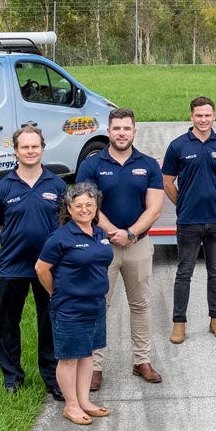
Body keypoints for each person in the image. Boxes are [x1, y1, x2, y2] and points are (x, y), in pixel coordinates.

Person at [75, 108, 165, 389]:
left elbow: (155, 207)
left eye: (127, 128)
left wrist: (131, 233)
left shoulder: (149, 165)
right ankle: (94, 367)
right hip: (101, 246)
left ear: (134, 131)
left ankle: (142, 361)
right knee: (99, 305)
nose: (122, 133)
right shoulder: (92, 165)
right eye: (116, 129)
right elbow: (86, 205)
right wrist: (113, 232)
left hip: (138, 244)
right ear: (109, 131)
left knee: (140, 305)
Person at [0, 125, 67, 400]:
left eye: (35, 147)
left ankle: (52, 377)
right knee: (9, 322)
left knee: (49, 322)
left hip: (48, 268)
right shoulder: (3, 187)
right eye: (25, 147)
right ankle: (12, 376)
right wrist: (13, 246)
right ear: (16, 151)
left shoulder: (56, 185)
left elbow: (64, 224)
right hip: (13, 268)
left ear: (42, 149)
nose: (30, 151)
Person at [35, 183, 114, 425]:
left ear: (96, 206)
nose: (84, 209)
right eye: (78, 205)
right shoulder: (60, 237)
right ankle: (71, 405)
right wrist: (55, 293)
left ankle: (85, 401)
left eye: (89, 205)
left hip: (95, 305)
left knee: (88, 353)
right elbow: (41, 268)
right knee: (69, 358)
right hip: (70, 308)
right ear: (68, 208)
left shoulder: (99, 233)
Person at [162, 96, 216, 344]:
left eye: (208, 115)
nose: (203, 120)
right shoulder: (178, 146)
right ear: (191, 116)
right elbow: (168, 182)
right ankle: (179, 323)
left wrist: (214, 197)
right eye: (199, 115)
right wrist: (182, 203)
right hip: (188, 221)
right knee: (184, 273)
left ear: (214, 116)